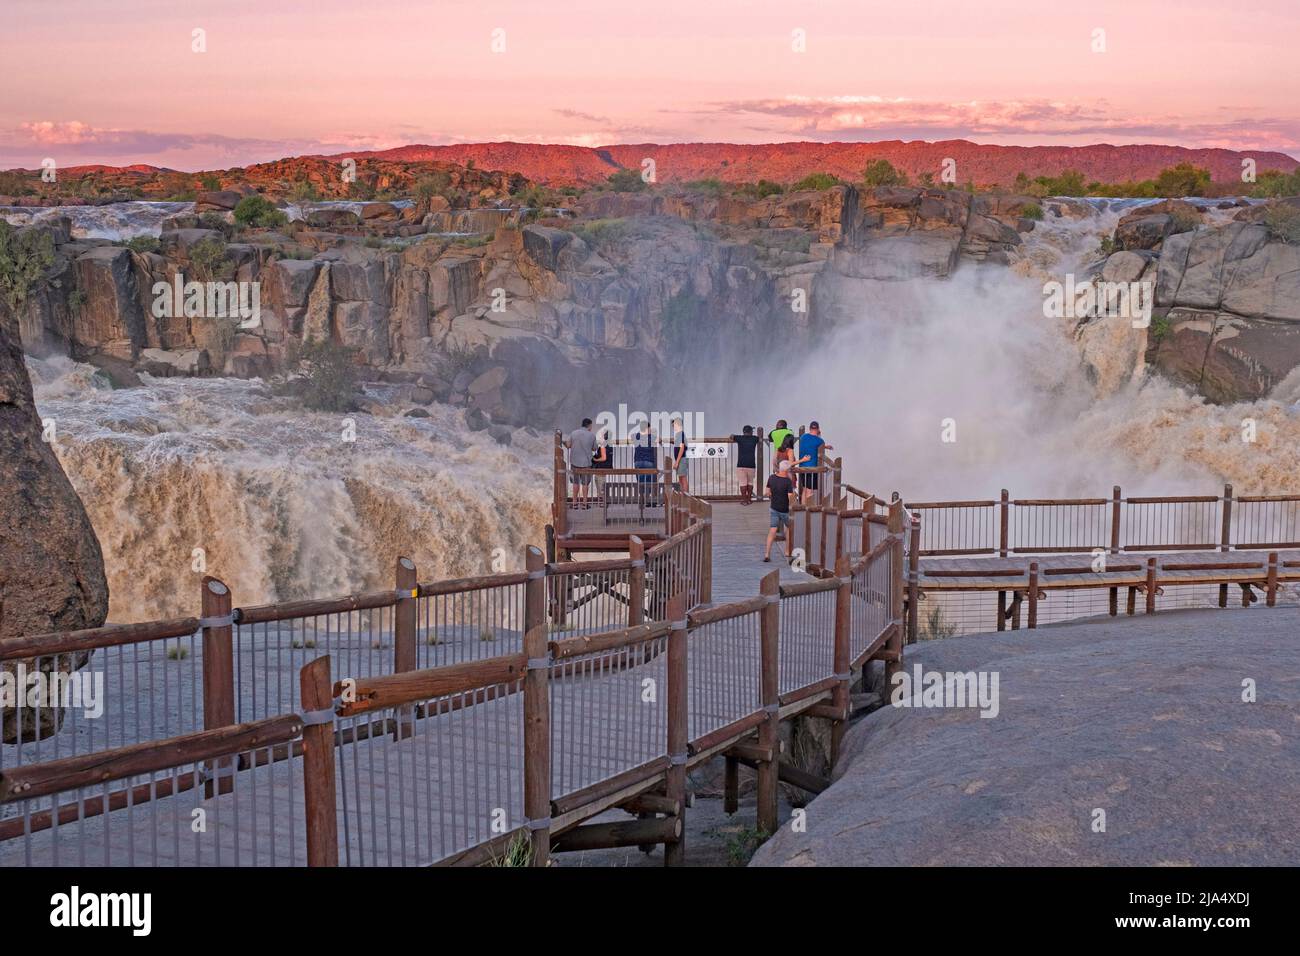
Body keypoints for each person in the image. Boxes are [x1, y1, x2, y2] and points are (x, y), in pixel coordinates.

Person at [764, 460, 797, 562]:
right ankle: (787, 551)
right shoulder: (787, 482)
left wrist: (773, 495)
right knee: (789, 528)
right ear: (787, 471)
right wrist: (795, 497)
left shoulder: (772, 477)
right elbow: (790, 497)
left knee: (772, 530)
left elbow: (767, 492)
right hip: (785, 510)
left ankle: (767, 554)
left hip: (774, 508)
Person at [796, 421, 833, 505]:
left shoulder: (803, 437)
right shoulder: (820, 440)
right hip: (812, 469)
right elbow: (819, 444)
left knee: (805, 489)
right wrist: (820, 437)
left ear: (810, 428)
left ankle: (802, 509)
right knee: (810, 491)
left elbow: (812, 444)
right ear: (818, 429)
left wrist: (826, 446)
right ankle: (809, 511)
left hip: (802, 467)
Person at [566, 418, 598, 509]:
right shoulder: (592, 435)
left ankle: (574, 503)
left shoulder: (573, 433)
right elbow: (595, 448)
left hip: (574, 463)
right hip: (586, 464)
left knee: (575, 483)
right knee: (585, 484)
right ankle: (584, 503)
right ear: (589, 426)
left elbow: (568, 445)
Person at [730, 425, 760, 505]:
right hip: (751, 464)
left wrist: (733, 435)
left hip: (741, 464)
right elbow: (758, 438)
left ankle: (744, 500)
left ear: (743, 432)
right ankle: (749, 499)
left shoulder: (739, 438)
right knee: (750, 482)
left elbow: (731, 436)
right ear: (750, 432)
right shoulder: (755, 439)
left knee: (743, 483)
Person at [632, 419, 658, 502]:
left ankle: (642, 498)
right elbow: (659, 440)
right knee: (649, 482)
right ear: (647, 428)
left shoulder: (635, 436)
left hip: (638, 462)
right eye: (649, 428)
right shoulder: (652, 437)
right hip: (649, 462)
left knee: (640, 482)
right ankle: (647, 499)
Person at [590, 427, 613, 502]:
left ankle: (602, 502)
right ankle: (601, 501)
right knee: (601, 485)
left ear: (604, 436)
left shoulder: (603, 445)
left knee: (600, 486)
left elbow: (603, 458)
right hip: (606, 467)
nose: (600, 436)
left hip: (601, 468)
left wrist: (595, 459)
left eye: (601, 434)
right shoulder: (609, 445)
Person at [670, 417, 689, 495]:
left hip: (681, 459)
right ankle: (683, 497)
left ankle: (686, 498)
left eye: (674, 425)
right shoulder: (679, 434)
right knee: (681, 479)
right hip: (680, 459)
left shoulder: (680, 434)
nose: (673, 427)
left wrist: (677, 462)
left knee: (683, 478)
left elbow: (682, 448)